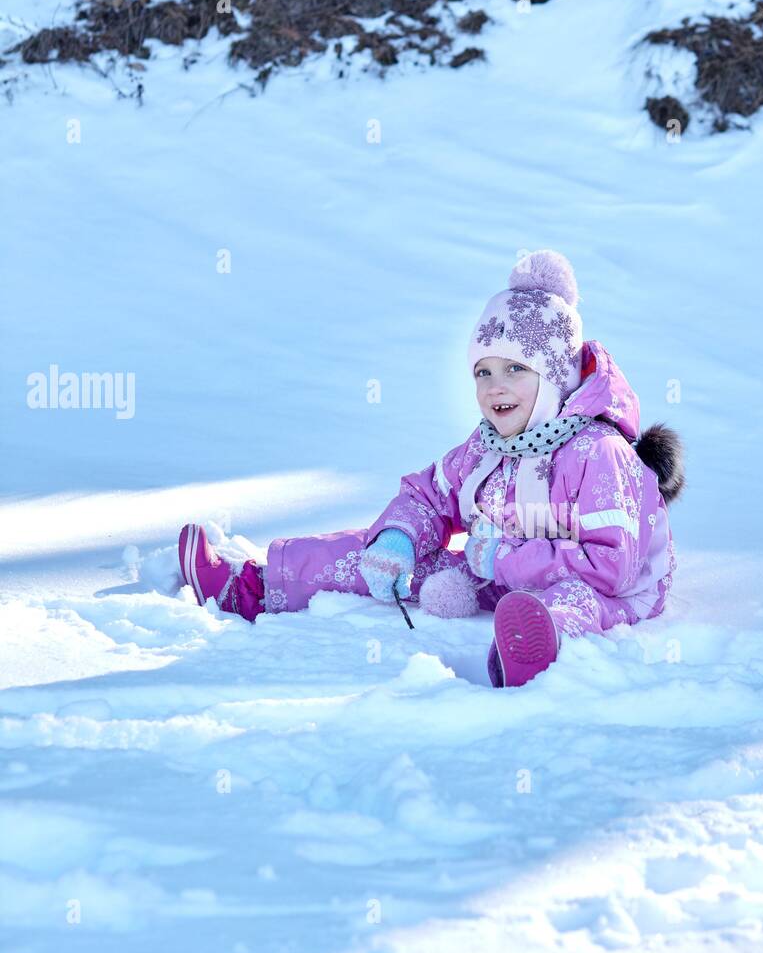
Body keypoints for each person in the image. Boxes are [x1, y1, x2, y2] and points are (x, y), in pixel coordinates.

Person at [177, 250, 684, 687]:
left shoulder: (600, 453)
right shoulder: (486, 447)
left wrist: (504, 558)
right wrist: (398, 539)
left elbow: (612, 568)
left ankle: (532, 651)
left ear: (555, 377)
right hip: (499, 571)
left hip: (609, 591)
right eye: (482, 371)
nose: (493, 386)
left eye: (515, 369)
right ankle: (254, 586)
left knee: (575, 600)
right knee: (381, 555)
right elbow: (429, 495)